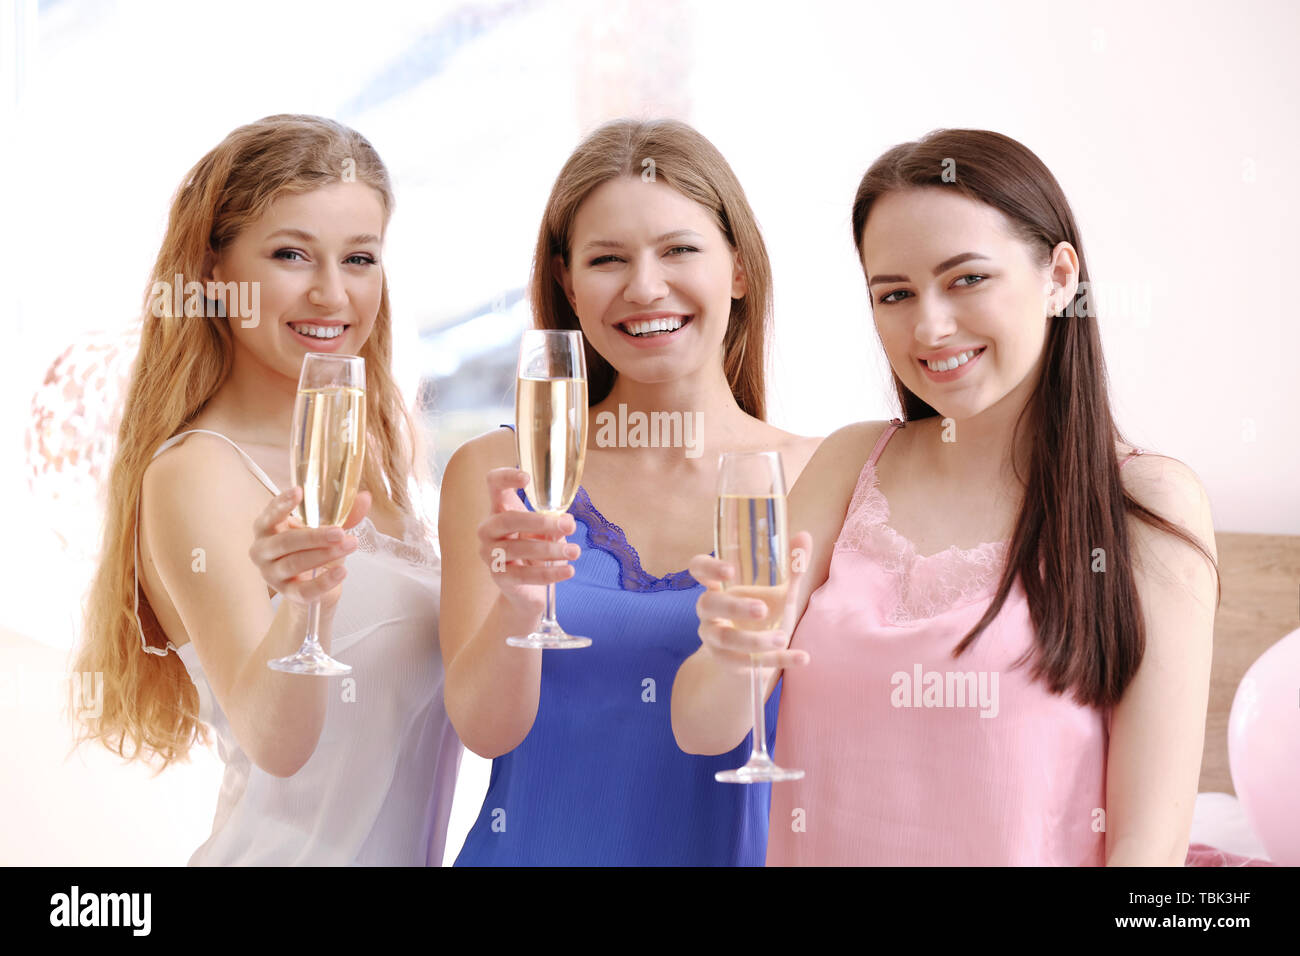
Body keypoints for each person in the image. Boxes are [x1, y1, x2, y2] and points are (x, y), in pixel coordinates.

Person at [674, 129, 1219, 866]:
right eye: (895, 293)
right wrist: (732, 649)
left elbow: (1145, 847)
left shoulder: (1143, 504)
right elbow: (702, 728)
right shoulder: (849, 463)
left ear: (1060, 276)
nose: (930, 326)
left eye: (967, 279)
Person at [71, 114, 461, 866]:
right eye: (291, 254)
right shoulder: (196, 473)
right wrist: (308, 604)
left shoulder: (376, 454)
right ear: (214, 272)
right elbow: (276, 743)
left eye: (359, 258)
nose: (331, 293)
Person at [440, 118, 820, 865]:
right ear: (569, 285)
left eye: (679, 249)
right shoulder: (500, 475)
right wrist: (520, 604)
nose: (646, 287)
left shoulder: (819, 476)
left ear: (738, 270)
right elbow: (483, 731)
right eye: (607, 259)